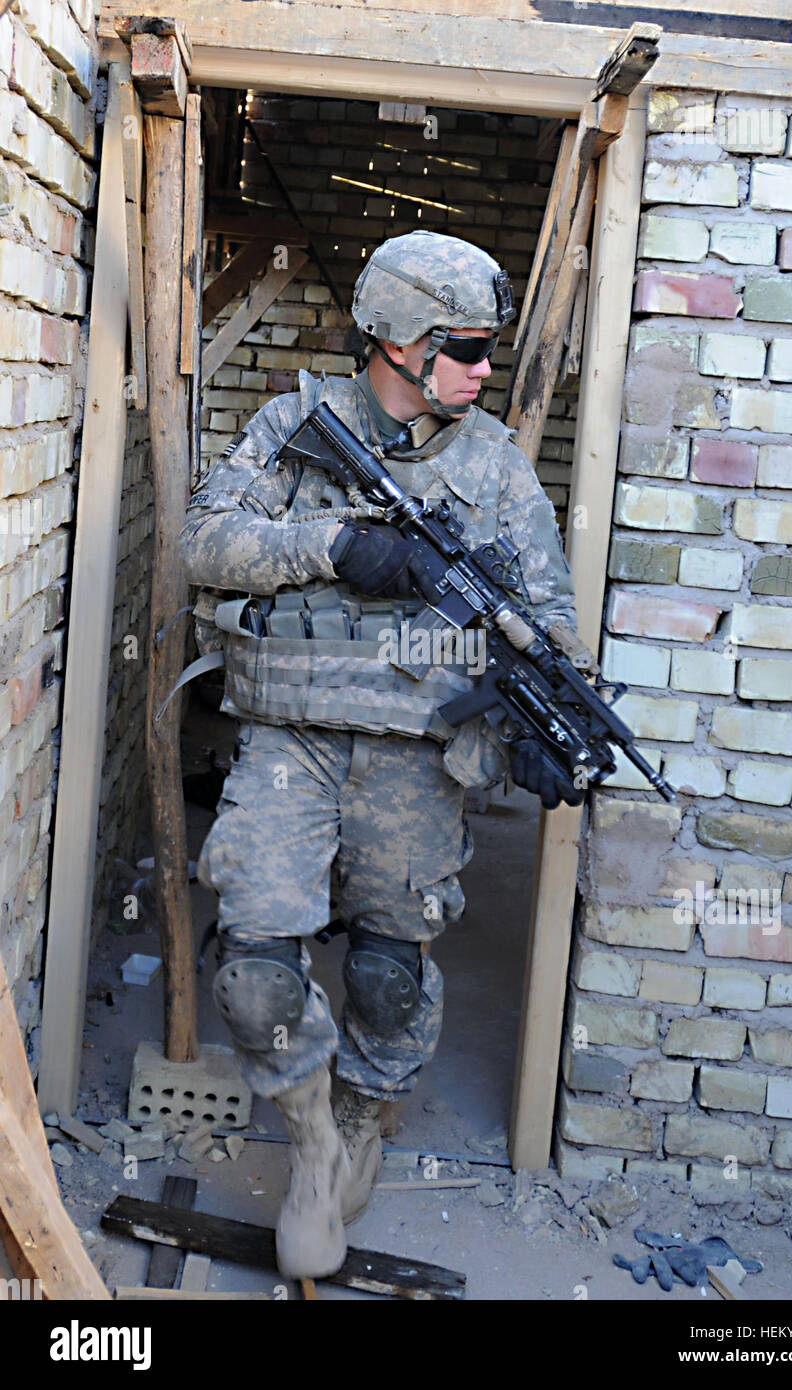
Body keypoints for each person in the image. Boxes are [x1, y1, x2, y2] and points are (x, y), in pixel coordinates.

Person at [180, 230, 590, 1279]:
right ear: (399, 340)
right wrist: (332, 546)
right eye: (462, 346)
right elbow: (203, 545)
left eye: (488, 348)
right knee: (256, 976)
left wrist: (534, 716)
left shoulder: (494, 470)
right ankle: (312, 1143)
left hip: (417, 756)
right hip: (291, 737)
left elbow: (546, 624)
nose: (482, 368)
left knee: (387, 977)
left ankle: (360, 1119)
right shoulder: (296, 427)